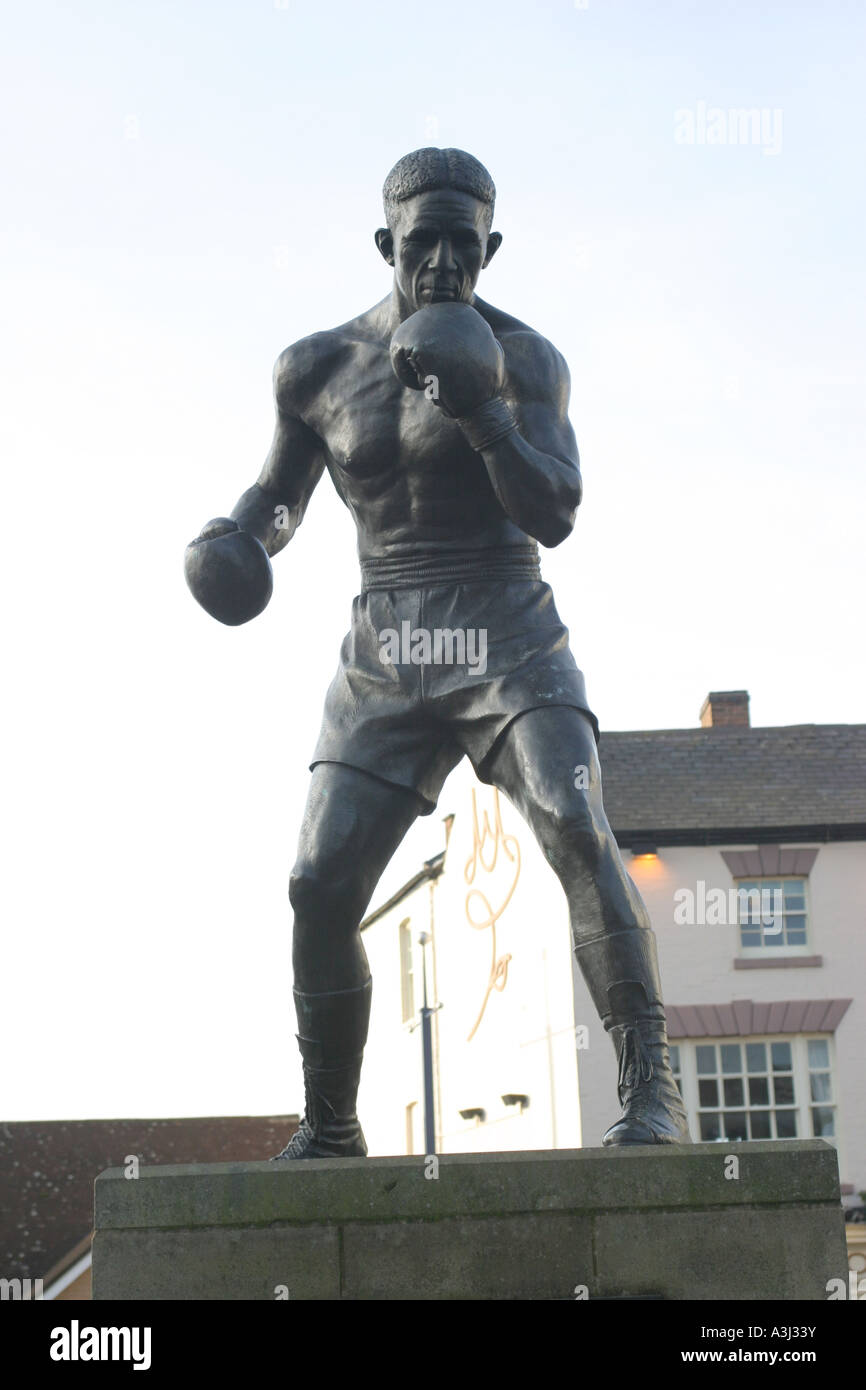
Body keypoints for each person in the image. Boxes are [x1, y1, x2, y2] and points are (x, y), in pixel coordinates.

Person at [185, 148, 690, 1157]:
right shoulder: (315, 368)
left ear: (491, 248)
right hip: (388, 639)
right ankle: (329, 1126)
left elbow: (552, 512)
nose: (446, 263)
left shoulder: (527, 360)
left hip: (507, 623)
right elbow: (283, 494)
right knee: (318, 883)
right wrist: (243, 535)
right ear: (386, 245)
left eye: (467, 244)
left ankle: (652, 1093)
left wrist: (480, 410)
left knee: (573, 819)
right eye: (424, 244)